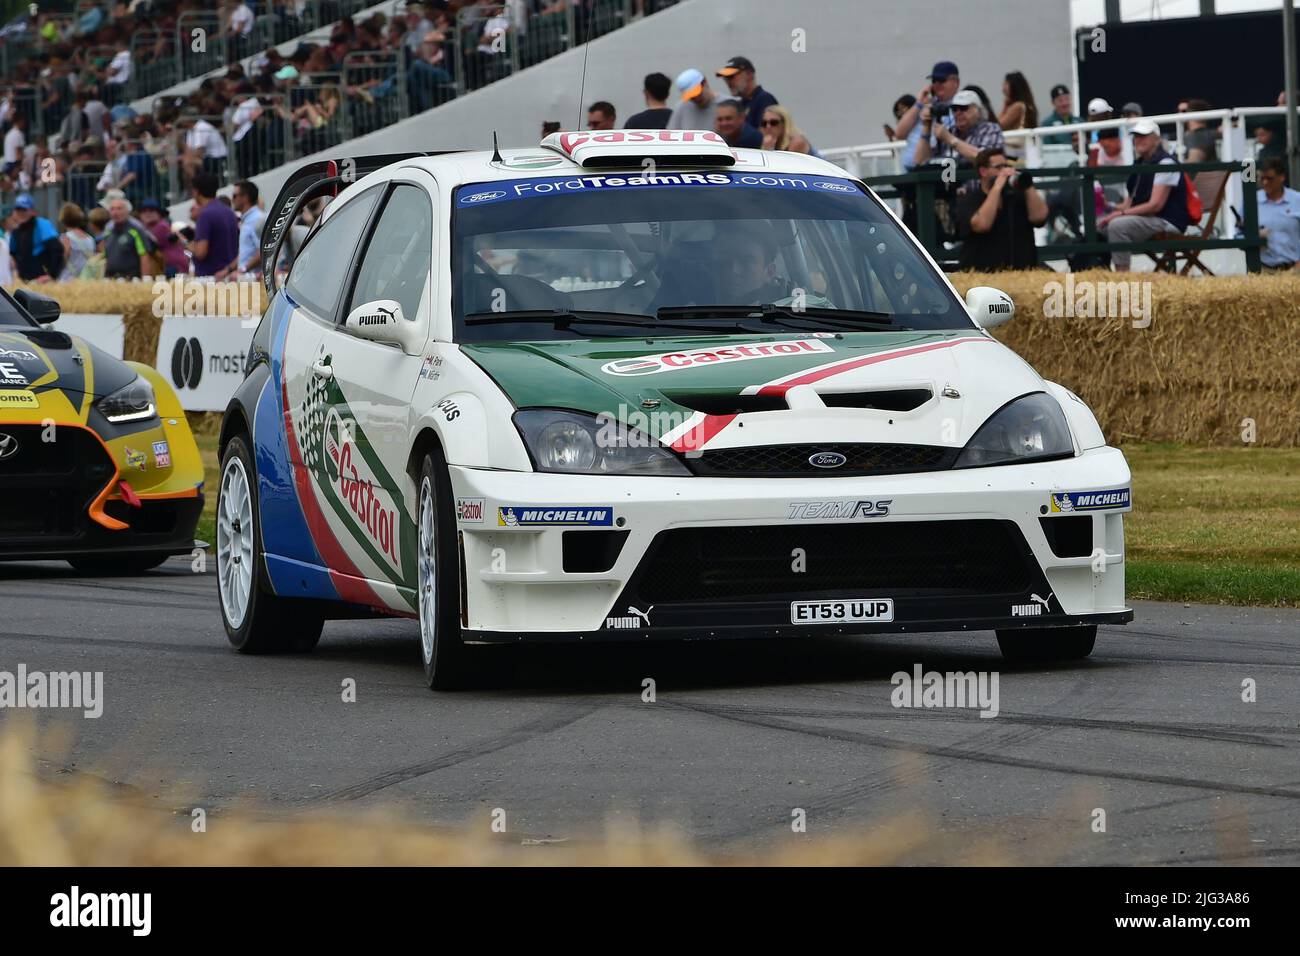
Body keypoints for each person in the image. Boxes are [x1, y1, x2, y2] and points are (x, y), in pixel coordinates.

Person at [1098, 118, 1191, 272]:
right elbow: (1129, 203)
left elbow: (1155, 205)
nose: (1138, 140)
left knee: (1117, 225)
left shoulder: (1166, 163)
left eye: (1144, 135)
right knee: (1101, 225)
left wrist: (1119, 214)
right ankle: (1100, 272)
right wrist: (1110, 206)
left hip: (1167, 220)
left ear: (1157, 138)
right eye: (1136, 136)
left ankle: (1123, 278)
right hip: (1150, 219)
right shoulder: (1140, 164)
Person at [956, 147, 1047, 271]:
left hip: (1021, 273)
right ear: (983, 171)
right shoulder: (969, 199)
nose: (1005, 171)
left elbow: (1040, 217)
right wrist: (997, 188)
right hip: (983, 274)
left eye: (1006, 166)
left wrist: (1027, 185)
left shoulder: (1018, 196)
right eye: (999, 168)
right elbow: (982, 225)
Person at [915, 89, 1004, 167]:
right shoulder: (949, 131)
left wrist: (950, 139)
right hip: (950, 183)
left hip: (978, 184)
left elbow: (986, 159)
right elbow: (920, 162)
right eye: (954, 109)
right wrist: (926, 126)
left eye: (963, 108)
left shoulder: (990, 129)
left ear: (978, 111)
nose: (958, 113)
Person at [1250, 157, 1300, 271]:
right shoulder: (1251, 201)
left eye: (1270, 178)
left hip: (1295, 268)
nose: (1265, 182)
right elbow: (1238, 235)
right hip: (1263, 269)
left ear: (1282, 177)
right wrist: (1254, 236)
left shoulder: (1297, 200)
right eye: (1262, 178)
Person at [190, 171, 239, 279]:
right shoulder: (229, 212)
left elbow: (201, 252)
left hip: (210, 278)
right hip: (228, 275)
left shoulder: (205, 215)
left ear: (196, 191)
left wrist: (188, 245)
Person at [8, 193, 64, 281]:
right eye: (18, 209)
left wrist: (51, 275)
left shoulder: (41, 224)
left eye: (24, 209)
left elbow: (57, 250)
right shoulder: (16, 230)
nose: (21, 213)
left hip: (41, 280)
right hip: (24, 281)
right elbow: (13, 254)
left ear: (31, 211)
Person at [715, 56, 777, 131]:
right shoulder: (741, 103)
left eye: (731, 77)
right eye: (725, 78)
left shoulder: (764, 100)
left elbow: (767, 135)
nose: (728, 82)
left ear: (749, 74)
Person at [102, 197, 153, 279]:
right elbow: (105, 257)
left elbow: (144, 256)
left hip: (131, 279)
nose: (115, 212)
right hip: (110, 279)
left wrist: (145, 279)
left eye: (119, 209)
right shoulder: (108, 232)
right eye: (112, 209)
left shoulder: (136, 230)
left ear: (127, 211)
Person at [138, 198, 188, 278]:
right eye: (144, 211)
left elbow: (147, 247)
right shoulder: (154, 227)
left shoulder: (161, 227)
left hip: (173, 267)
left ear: (159, 213)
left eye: (151, 210)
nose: (147, 214)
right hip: (170, 266)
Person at [998, 71, 1038, 159]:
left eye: (1006, 84)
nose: (1003, 88)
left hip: (1015, 153)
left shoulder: (1017, 106)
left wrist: (1005, 107)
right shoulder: (1028, 104)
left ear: (1014, 86)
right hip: (1024, 150)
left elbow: (998, 126)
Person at [230, 179, 264, 279]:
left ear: (245, 197)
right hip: (248, 277)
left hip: (253, 279)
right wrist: (227, 270)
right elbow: (246, 253)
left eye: (234, 196)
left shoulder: (256, 219)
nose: (232, 200)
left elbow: (263, 251)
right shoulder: (249, 219)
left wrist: (243, 270)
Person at [57, 202, 95, 281]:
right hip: (85, 280)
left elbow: (61, 260)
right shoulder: (90, 239)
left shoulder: (65, 238)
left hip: (67, 279)